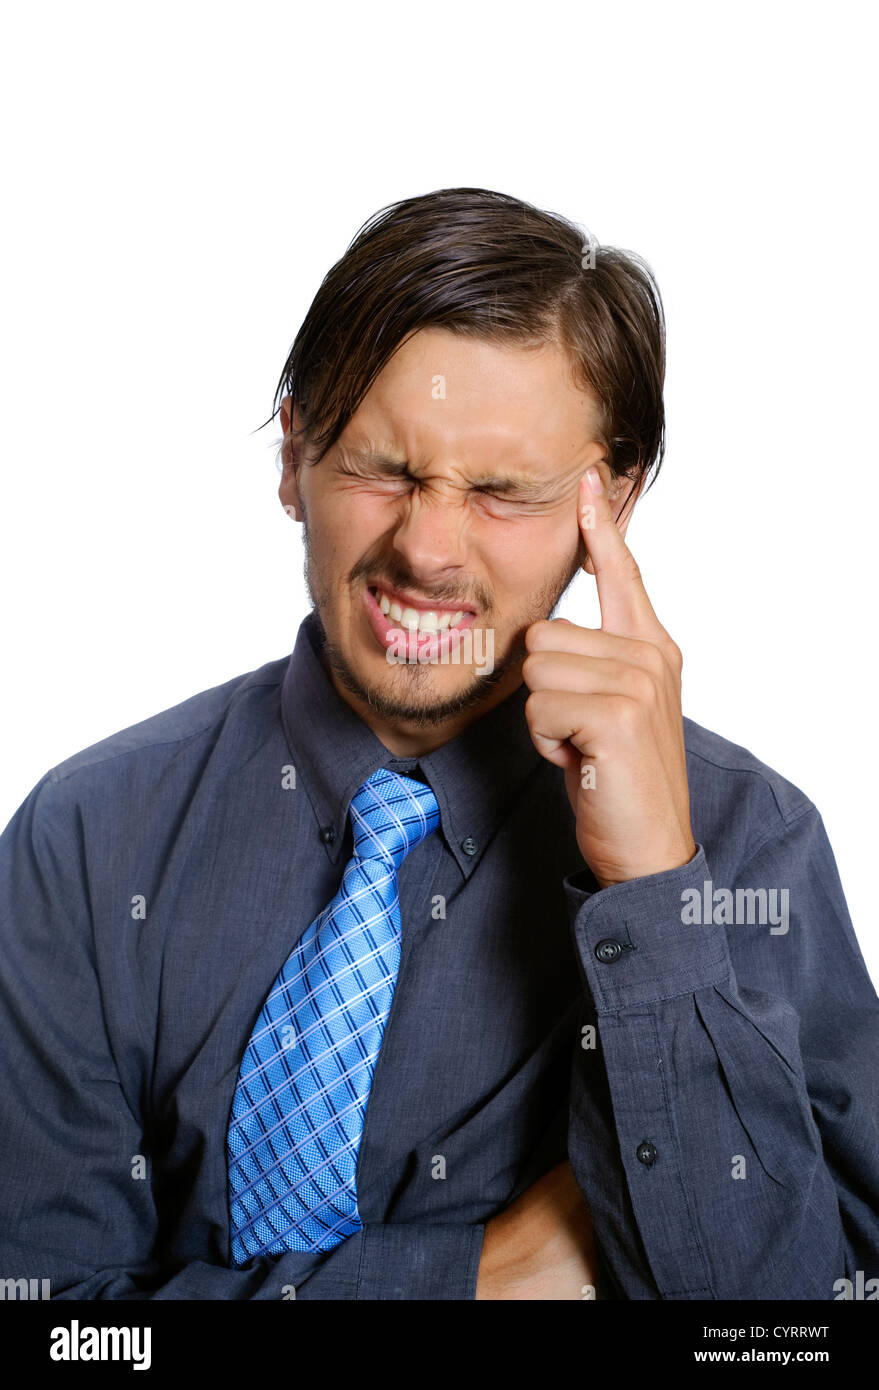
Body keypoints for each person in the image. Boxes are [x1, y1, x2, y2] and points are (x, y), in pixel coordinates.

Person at [1, 187, 877, 1301]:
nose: (426, 549)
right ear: (294, 454)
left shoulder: (746, 845)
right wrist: (476, 1280)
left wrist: (657, 890)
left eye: (502, 492)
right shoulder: (86, 843)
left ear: (612, 499)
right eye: (384, 469)